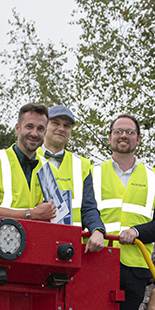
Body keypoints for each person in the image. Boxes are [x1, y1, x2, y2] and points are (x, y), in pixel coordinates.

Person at [95, 114, 155, 310]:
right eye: (118, 131)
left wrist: (137, 231)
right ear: (109, 137)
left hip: (134, 266)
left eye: (129, 132)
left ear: (138, 139)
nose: (123, 136)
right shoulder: (92, 173)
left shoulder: (153, 177)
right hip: (97, 261)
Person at [37, 105, 106, 248]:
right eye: (56, 123)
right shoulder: (27, 158)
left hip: (69, 247)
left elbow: (88, 208)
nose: (61, 128)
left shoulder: (82, 165)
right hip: (33, 241)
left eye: (67, 125)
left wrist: (98, 230)